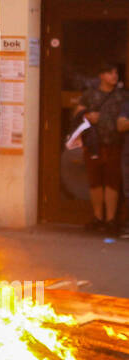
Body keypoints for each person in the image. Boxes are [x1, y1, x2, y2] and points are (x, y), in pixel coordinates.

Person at [73, 63, 125, 236]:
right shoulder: (90, 95)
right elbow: (77, 114)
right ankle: (98, 217)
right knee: (95, 181)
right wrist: (87, 116)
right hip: (94, 144)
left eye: (116, 73)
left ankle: (110, 219)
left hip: (114, 143)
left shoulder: (122, 96)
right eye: (110, 72)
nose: (114, 76)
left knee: (112, 181)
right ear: (101, 75)